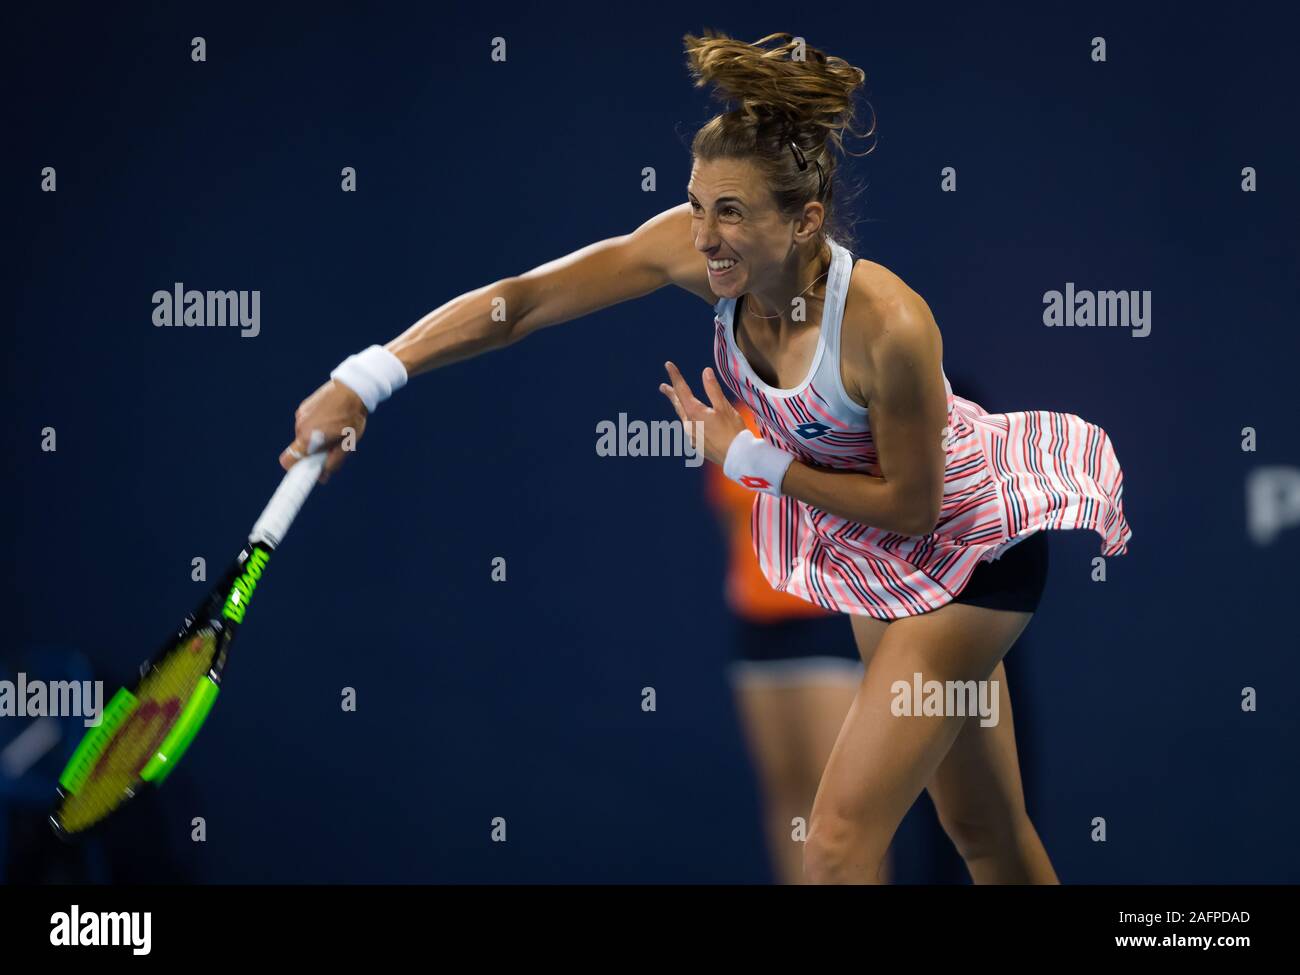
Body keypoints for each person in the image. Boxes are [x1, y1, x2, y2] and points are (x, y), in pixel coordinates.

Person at [280, 30, 1132, 884]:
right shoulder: (697, 254)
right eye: (695, 205)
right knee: (983, 827)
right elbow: (523, 302)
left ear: (803, 220)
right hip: (880, 558)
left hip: (971, 550)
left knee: (834, 845)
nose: (705, 235)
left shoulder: (890, 325)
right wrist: (368, 377)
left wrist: (755, 463)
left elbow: (915, 507)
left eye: (731, 212)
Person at [704, 402, 869, 885]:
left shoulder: (837, 412)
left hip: (830, 621)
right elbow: (732, 523)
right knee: (785, 794)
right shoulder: (733, 417)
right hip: (757, 631)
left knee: (842, 810)